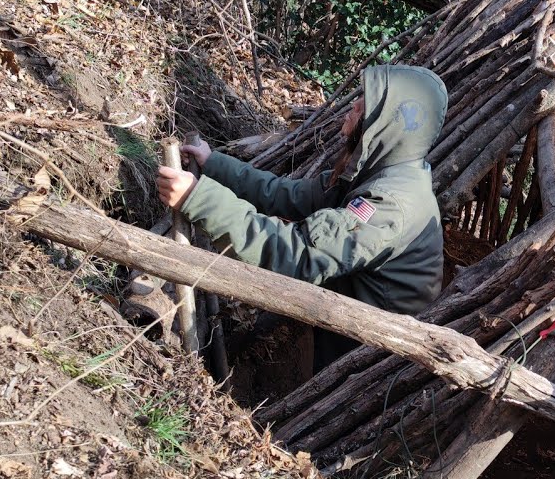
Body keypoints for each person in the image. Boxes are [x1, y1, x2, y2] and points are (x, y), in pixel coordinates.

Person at [155, 64, 448, 371]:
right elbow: (286, 195)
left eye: (367, 103)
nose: (354, 105)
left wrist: (199, 199)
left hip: (371, 368)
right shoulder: (376, 173)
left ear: (391, 122)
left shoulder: (389, 203)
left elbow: (296, 255)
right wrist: (214, 163)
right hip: (349, 348)